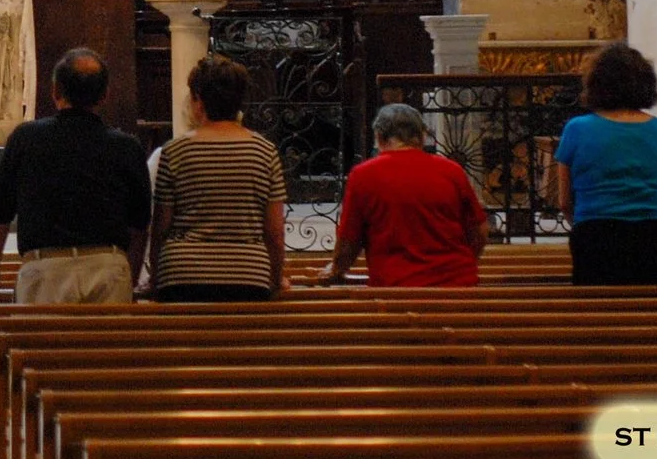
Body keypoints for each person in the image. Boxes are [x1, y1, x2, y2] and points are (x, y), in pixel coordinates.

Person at [0, 47, 151, 304]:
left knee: (42, 333)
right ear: (105, 95)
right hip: (107, 267)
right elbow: (140, 223)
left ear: (55, 91)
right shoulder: (127, 147)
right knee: (108, 333)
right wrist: (129, 276)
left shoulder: (26, 139)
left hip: (46, 269)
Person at [147, 54, 286, 302]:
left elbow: (160, 229)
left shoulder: (175, 151)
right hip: (248, 276)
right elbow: (274, 233)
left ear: (198, 100)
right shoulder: (264, 152)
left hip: (181, 277)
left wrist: (155, 278)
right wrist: (276, 278)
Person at [553, 42, 657, 286]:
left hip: (597, 235)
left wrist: (584, 223)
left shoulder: (577, 129)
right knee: (656, 307)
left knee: (599, 307)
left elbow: (564, 201)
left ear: (595, 83)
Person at [321, 103, 487, 288]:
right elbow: (479, 230)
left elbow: (349, 241)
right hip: (456, 287)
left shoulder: (363, 175)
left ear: (379, 137)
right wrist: (463, 263)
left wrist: (336, 268)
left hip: (395, 289)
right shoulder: (451, 171)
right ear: (422, 136)